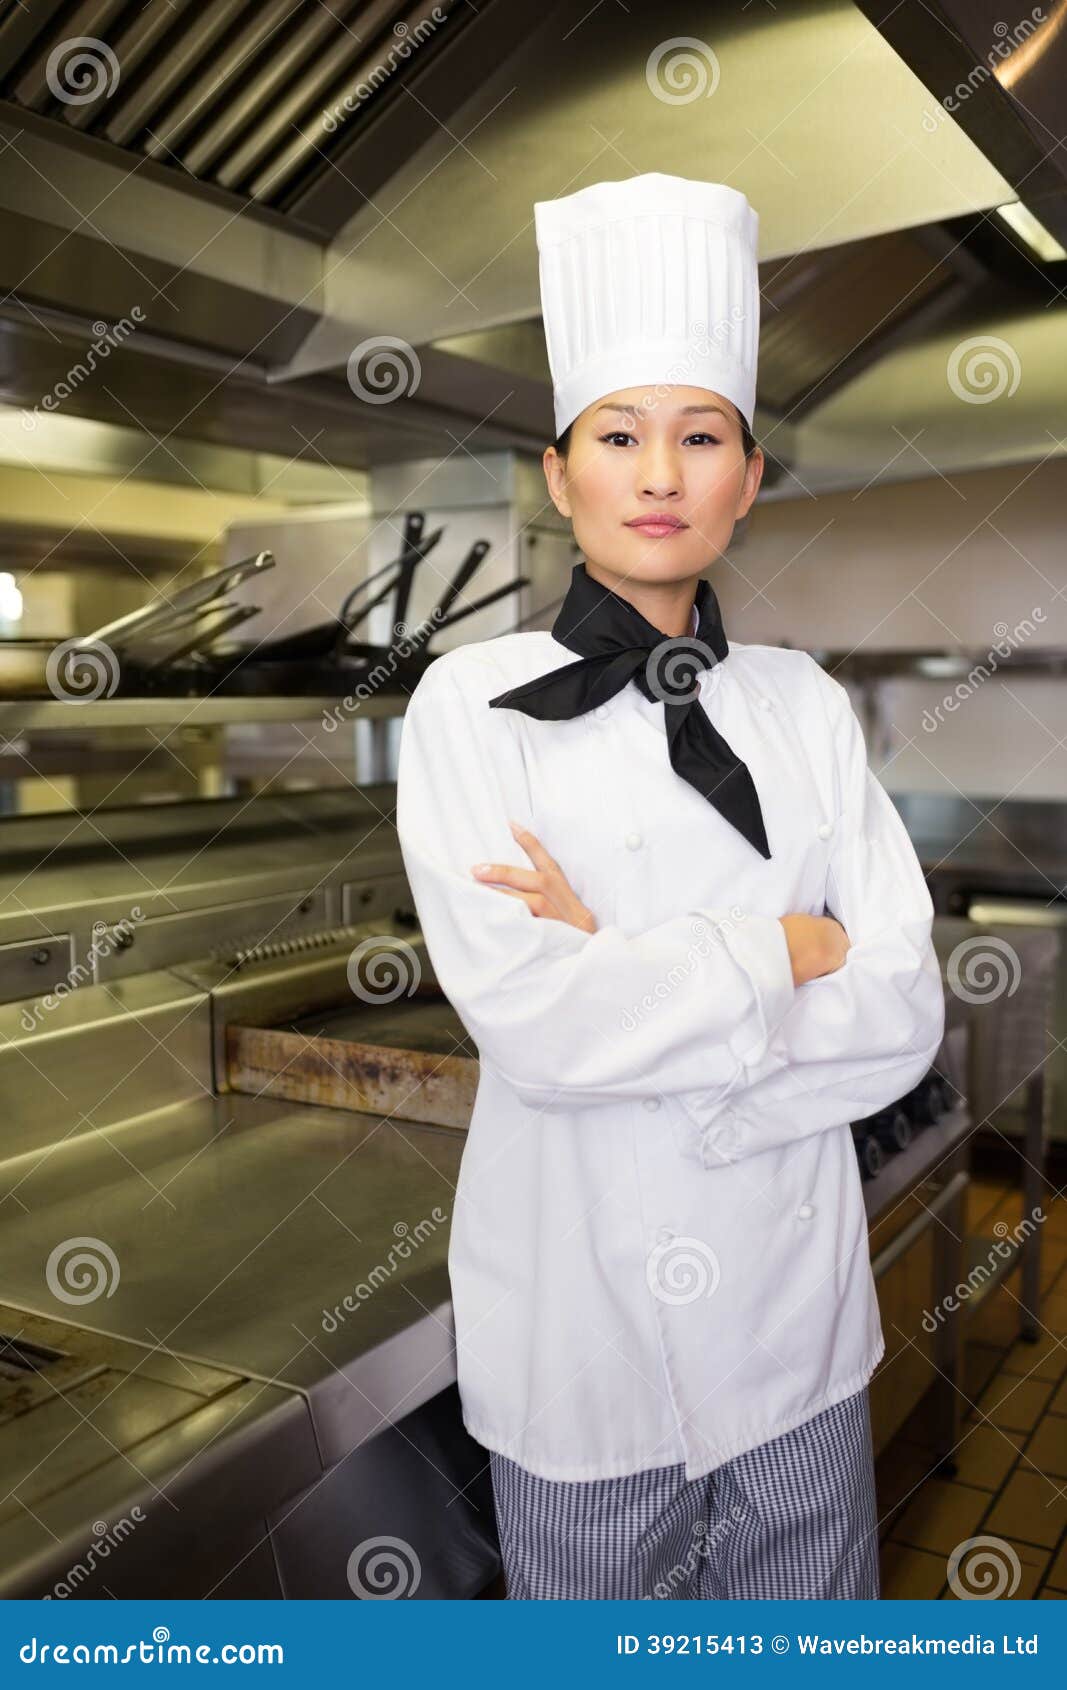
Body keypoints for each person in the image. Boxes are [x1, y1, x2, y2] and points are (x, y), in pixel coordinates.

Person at [395, 173, 945, 1600]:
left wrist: (632, 979)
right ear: (558, 470)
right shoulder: (470, 706)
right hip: (579, 1347)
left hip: (796, 1336)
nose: (659, 476)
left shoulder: (804, 704)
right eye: (619, 435)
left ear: (748, 478)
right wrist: (782, 951)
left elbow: (901, 1007)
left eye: (700, 437)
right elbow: (540, 1029)